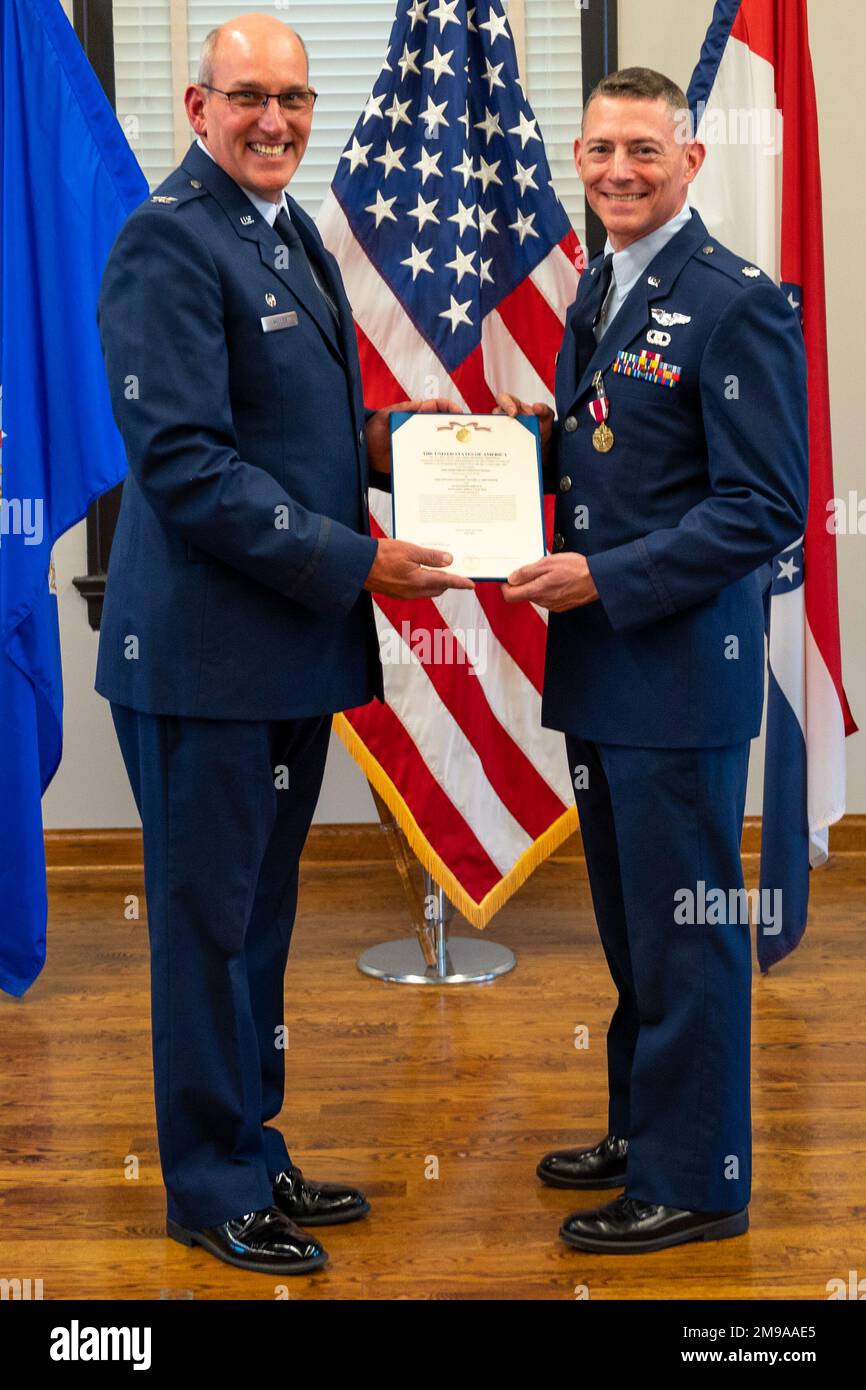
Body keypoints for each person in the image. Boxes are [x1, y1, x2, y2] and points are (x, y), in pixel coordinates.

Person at [96, 12, 471, 1276]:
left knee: (257, 920)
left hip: (279, 657)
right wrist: (357, 556)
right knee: (206, 929)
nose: (275, 121)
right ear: (196, 107)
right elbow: (187, 464)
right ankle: (207, 1186)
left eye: (295, 100)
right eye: (248, 97)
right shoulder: (166, 239)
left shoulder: (283, 228)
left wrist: (398, 445)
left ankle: (252, 1145)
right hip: (204, 663)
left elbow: (289, 421)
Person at [497, 67, 808, 1253]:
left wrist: (604, 578)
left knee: (687, 930)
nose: (617, 170)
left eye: (642, 150)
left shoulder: (731, 301)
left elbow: (763, 504)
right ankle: (644, 1128)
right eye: (598, 150)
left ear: (685, 159)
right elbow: (610, 458)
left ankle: (699, 1177)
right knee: (636, 934)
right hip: (604, 669)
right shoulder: (606, 283)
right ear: (576, 159)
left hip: (676, 671)